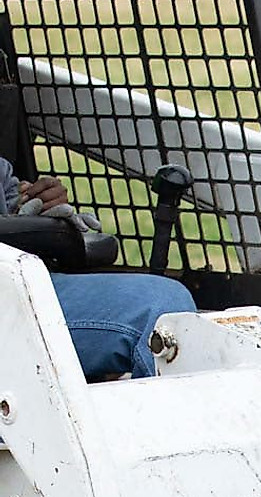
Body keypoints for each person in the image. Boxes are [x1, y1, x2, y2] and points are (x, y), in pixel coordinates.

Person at [1, 155, 196, 380]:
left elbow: (11, 201)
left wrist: (32, 207)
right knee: (158, 310)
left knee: (169, 314)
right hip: (9, 299)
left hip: (15, 284)